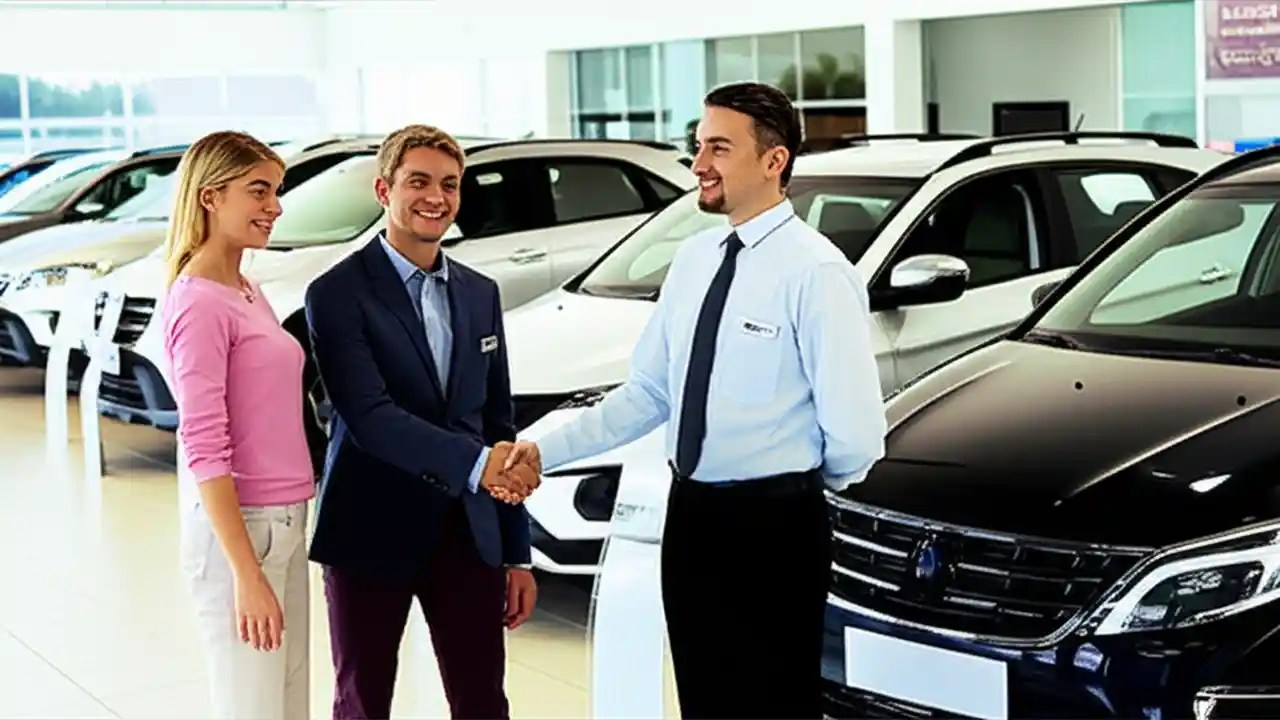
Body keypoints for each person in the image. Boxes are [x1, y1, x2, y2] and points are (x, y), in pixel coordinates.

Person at [505, 82, 887, 718]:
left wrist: (791, 494)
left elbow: (855, 434)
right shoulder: (693, 260)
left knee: (772, 701)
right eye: (697, 145)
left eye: (718, 147)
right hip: (692, 520)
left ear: (774, 161)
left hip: (775, 526)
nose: (698, 164)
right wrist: (542, 448)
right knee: (704, 695)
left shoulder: (816, 273)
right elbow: (650, 392)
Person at [303, 123, 541, 720]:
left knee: (482, 699)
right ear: (384, 190)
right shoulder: (335, 292)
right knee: (364, 701)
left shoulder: (480, 292)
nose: (436, 197)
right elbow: (369, 417)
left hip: (468, 531)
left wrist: (517, 554)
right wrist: (476, 464)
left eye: (450, 184)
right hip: (369, 526)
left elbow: (497, 420)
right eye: (419, 182)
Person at [160, 131, 314, 720]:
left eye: (275, 191)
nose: (274, 206)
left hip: (283, 522)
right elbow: (203, 445)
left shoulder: (245, 287)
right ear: (210, 197)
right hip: (243, 536)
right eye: (259, 191)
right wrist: (246, 574)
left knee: (287, 704)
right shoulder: (198, 301)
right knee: (252, 708)